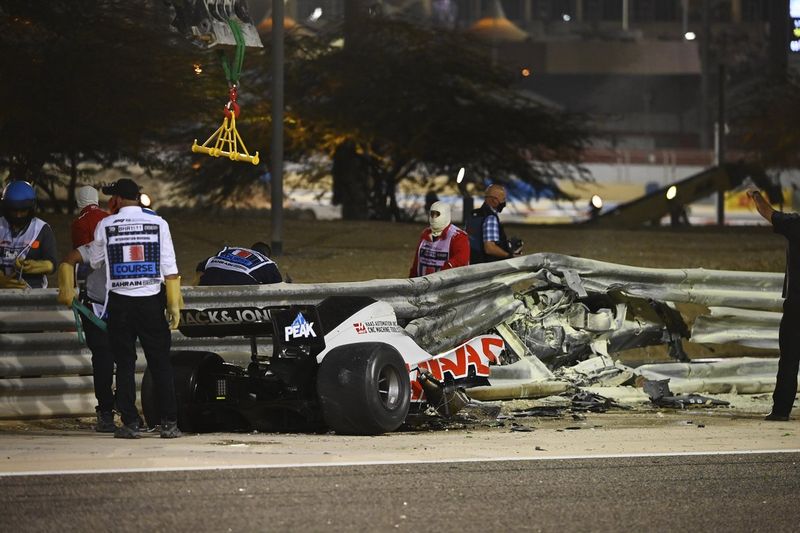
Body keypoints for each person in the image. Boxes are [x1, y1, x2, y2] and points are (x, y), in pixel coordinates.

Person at [86, 178, 183, 438]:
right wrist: (173, 302)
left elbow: (94, 262)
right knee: (160, 362)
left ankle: (130, 423)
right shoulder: (159, 223)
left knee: (125, 364)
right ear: (139, 197)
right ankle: (169, 423)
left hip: (120, 303)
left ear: (117, 199)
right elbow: (170, 267)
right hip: (151, 301)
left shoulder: (106, 224)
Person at [58, 185, 117, 432]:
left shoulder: (79, 223)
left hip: (94, 299)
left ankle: (106, 413)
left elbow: (75, 259)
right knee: (124, 358)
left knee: (102, 359)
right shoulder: (110, 221)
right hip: (123, 301)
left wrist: (69, 286)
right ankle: (128, 412)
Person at [749, 189, 798, 421]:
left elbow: (767, 212)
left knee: (789, 359)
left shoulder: (795, 224)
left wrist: (755, 194)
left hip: (796, 306)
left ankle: (781, 411)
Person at [0, 181, 57, 289]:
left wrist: (36, 266)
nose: (18, 215)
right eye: (13, 210)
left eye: (23, 210)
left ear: (31, 208)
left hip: (34, 293)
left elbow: (52, 264)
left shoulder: (41, 229)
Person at [409, 201, 469, 277]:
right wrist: (412, 279)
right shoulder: (425, 234)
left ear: (445, 215)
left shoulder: (457, 236)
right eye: (432, 214)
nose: (434, 218)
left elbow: (460, 261)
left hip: (447, 282)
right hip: (423, 282)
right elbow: (416, 263)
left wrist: (442, 272)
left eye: (437, 214)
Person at [466, 184, 522, 264]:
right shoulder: (490, 218)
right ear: (494, 200)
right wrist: (509, 256)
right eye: (503, 199)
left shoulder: (473, 214)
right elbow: (489, 248)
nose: (504, 202)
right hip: (486, 265)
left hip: (471, 262)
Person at [195, 242, 282, 285]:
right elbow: (278, 287)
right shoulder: (266, 262)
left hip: (208, 283)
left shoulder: (228, 250)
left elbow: (200, 269)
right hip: (238, 292)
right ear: (267, 255)